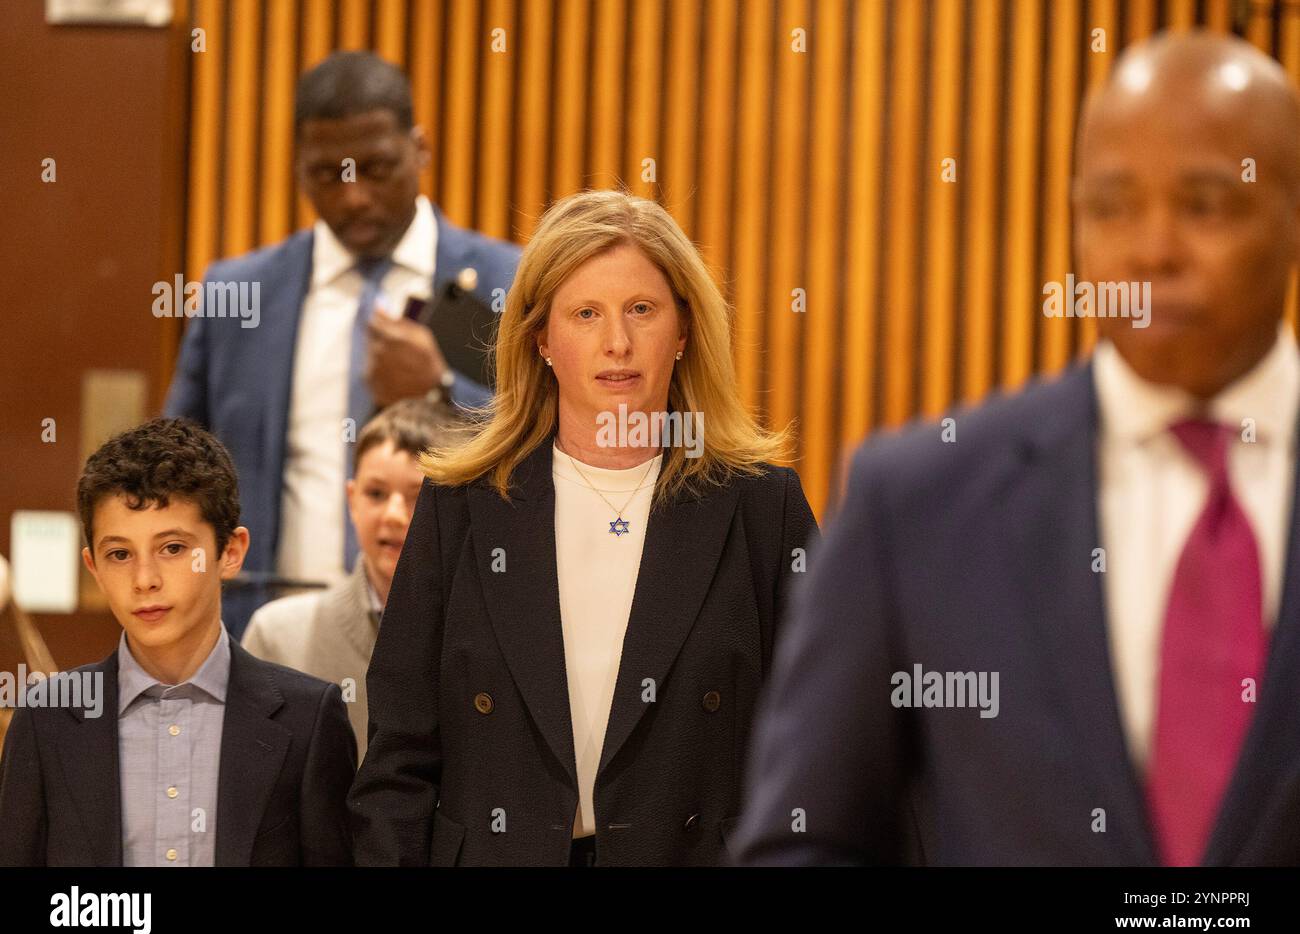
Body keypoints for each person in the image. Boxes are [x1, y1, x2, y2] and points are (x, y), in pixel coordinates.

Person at [735, 30, 1300, 867]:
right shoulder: (919, 508)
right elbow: (804, 841)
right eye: (1111, 206)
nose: (1153, 250)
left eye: (1204, 205)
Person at [348, 190, 818, 866]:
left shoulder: (761, 510)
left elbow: (819, 746)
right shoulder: (462, 506)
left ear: (684, 330)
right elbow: (398, 765)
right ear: (541, 337)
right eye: (586, 313)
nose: (617, 343)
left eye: (642, 310)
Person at [164, 51, 521, 638]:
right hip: (271, 633)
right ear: (299, 167)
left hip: (459, 630)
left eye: (376, 169)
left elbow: (551, 448)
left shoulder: (510, 283)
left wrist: (441, 390)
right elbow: (178, 466)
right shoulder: (237, 295)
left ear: (421, 150)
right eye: (330, 174)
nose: (354, 197)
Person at [0, 419, 355, 866]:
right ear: (92, 566)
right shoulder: (46, 717)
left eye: (172, 549)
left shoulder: (310, 718)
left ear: (230, 551)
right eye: (120, 554)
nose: (144, 580)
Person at [243, 399, 463, 760]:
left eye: (418, 496)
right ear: (352, 499)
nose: (393, 515)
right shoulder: (277, 637)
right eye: (376, 494)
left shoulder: (485, 639)